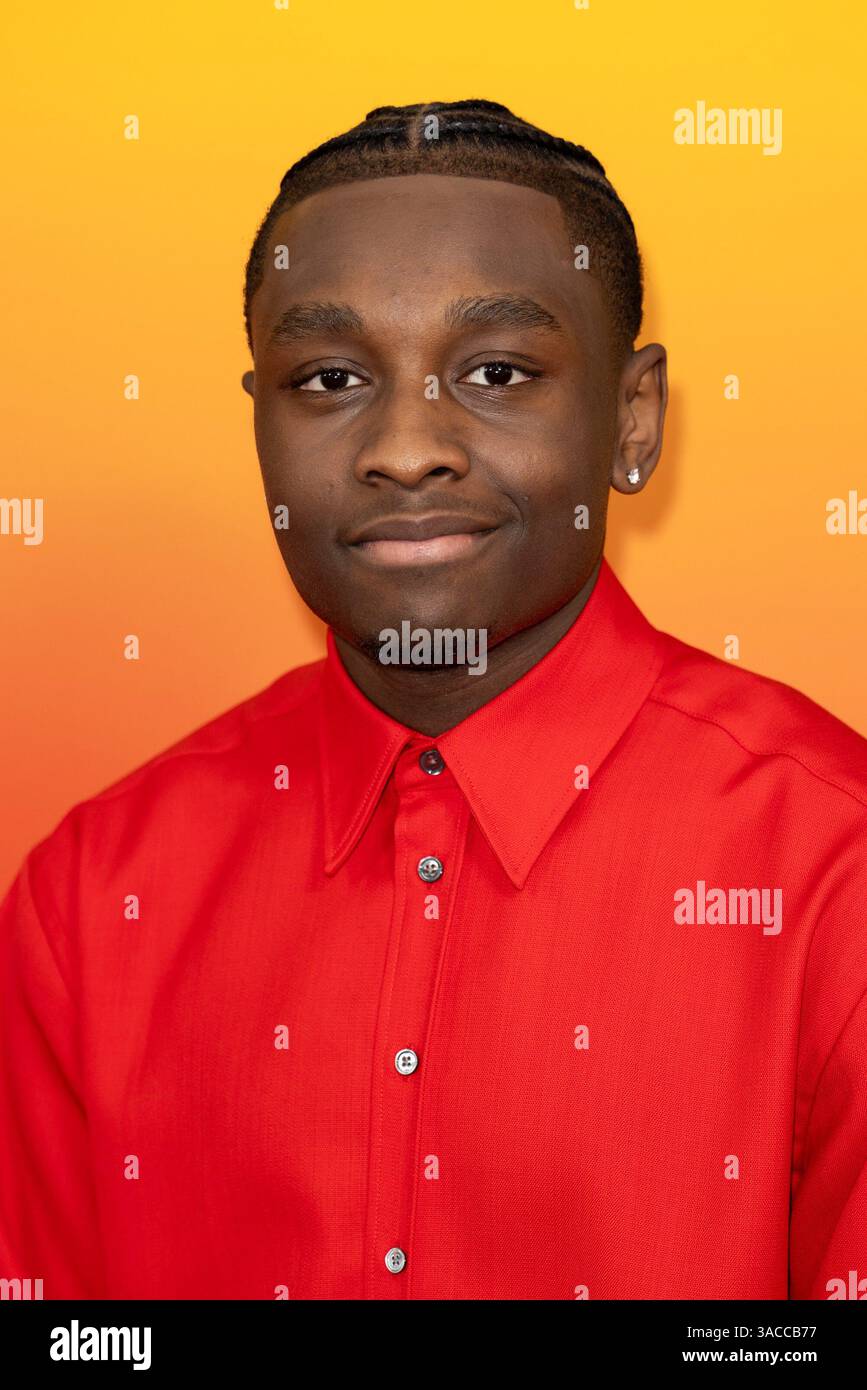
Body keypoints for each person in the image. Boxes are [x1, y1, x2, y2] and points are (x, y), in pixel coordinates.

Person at [1, 99, 865, 1301]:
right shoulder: (93, 899)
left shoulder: (833, 872)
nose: (406, 447)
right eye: (331, 376)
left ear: (633, 416)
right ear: (258, 421)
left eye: (498, 371)